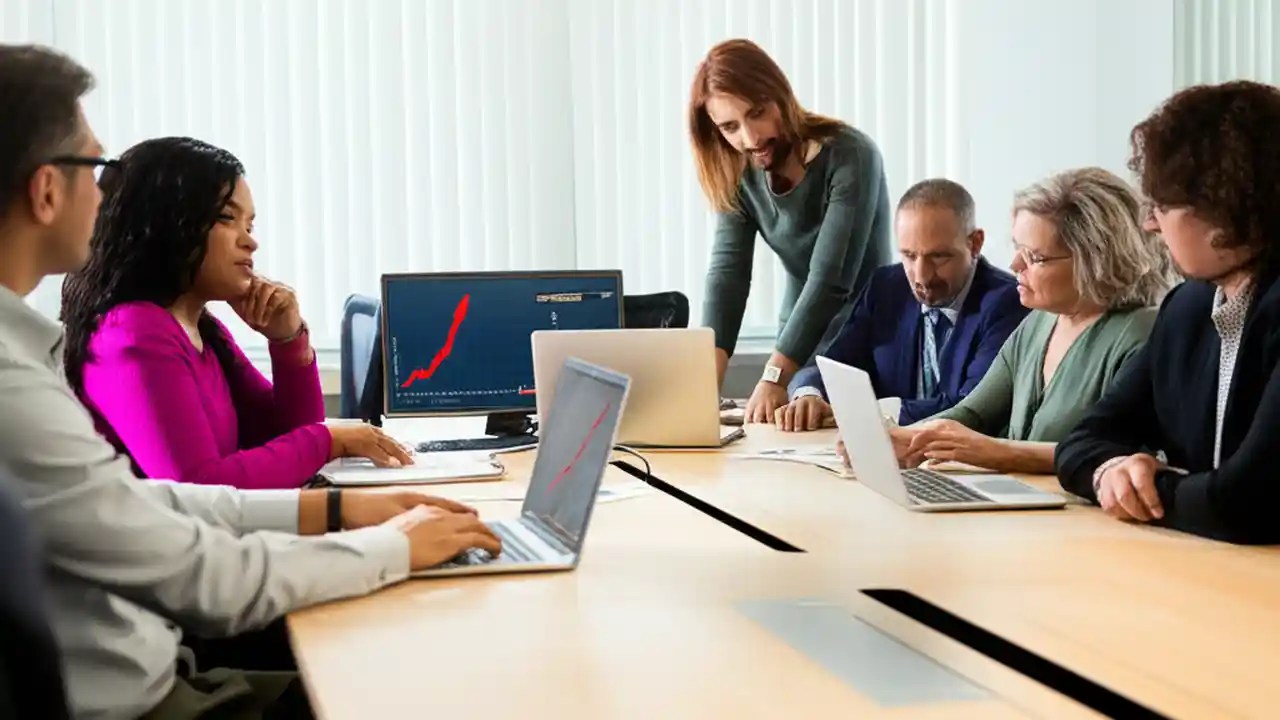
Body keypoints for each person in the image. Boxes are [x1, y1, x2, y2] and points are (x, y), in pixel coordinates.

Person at [0, 44, 501, 719]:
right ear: (47, 189)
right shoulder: (81, 355)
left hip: (164, 668)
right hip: (150, 695)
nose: (104, 190)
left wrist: (335, 500)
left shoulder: (69, 345)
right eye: (95, 166)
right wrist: (388, 545)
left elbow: (152, 502)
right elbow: (203, 547)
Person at [60, 137, 411, 491]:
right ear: (165, 223)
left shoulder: (201, 329)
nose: (250, 241)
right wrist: (329, 440)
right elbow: (199, 485)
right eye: (227, 218)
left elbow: (290, 435)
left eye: (250, 225)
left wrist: (288, 341)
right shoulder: (133, 331)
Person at [1056, 81, 1280, 544]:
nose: (1149, 223)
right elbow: (1082, 441)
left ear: (1225, 208)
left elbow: (1250, 500)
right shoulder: (1187, 307)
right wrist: (1113, 473)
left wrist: (1153, 487)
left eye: (1161, 206)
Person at [875, 167, 1177, 475]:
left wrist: (994, 453)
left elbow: (1114, 455)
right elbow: (972, 413)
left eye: (1035, 257)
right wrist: (900, 439)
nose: (1015, 264)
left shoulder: (1142, 333)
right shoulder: (1039, 321)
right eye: (1018, 248)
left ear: (1095, 259)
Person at [689, 38, 892, 424]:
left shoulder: (851, 155)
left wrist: (773, 375)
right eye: (730, 127)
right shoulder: (738, 171)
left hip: (866, 343)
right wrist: (702, 392)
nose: (750, 139)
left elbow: (831, 279)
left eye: (757, 113)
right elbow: (727, 277)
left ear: (779, 96)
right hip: (798, 347)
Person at [779, 179, 1027, 431]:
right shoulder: (886, 287)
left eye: (938, 256)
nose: (921, 277)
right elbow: (835, 365)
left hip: (964, 461)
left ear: (974, 243)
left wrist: (874, 414)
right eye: (909, 255)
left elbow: (972, 408)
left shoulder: (1007, 303)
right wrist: (810, 394)